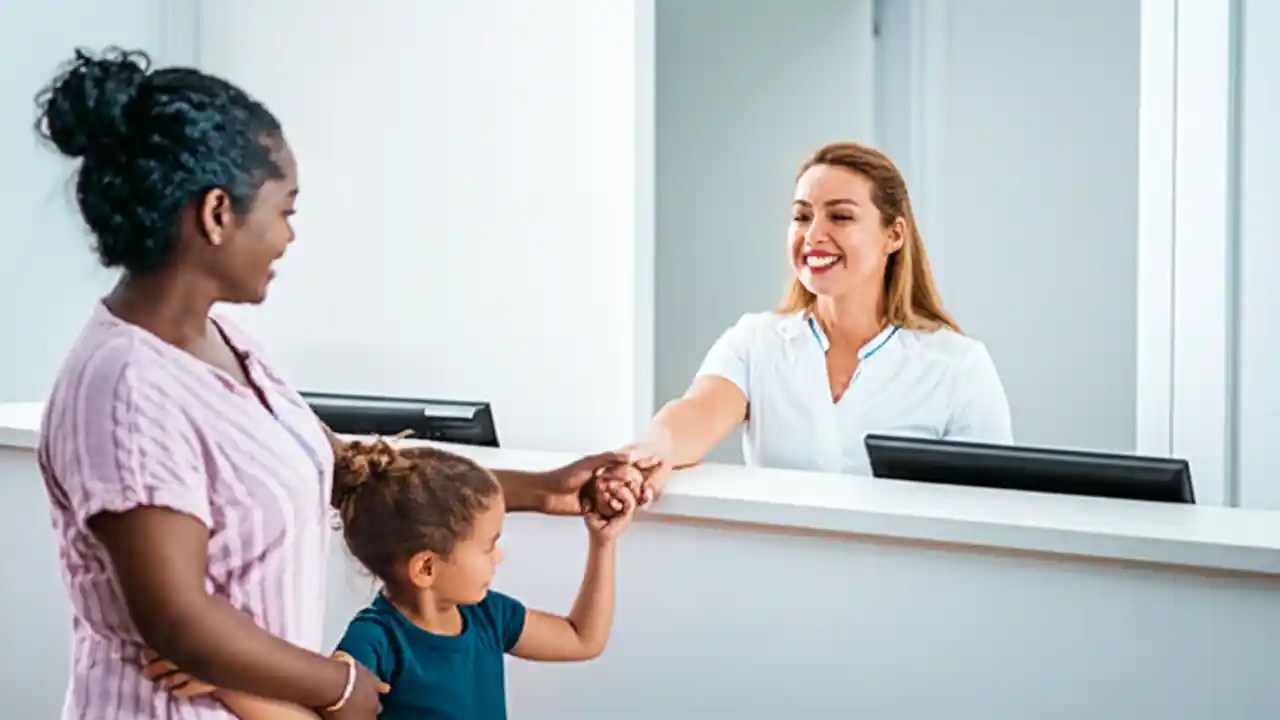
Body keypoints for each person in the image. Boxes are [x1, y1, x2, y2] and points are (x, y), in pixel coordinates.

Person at [33, 47, 642, 720]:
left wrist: (544, 489)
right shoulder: (125, 388)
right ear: (216, 214)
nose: (289, 236)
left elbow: (348, 472)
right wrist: (338, 686)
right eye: (285, 210)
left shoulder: (225, 344)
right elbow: (178, 620)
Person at [612, 141, 1013, 502]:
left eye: (840, 216)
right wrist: (652, 450)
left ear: (893, 235)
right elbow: (697, 411)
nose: (814, 234)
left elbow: (994, 507)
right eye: (802, 217)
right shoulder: (756, 341)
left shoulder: (959, 366)